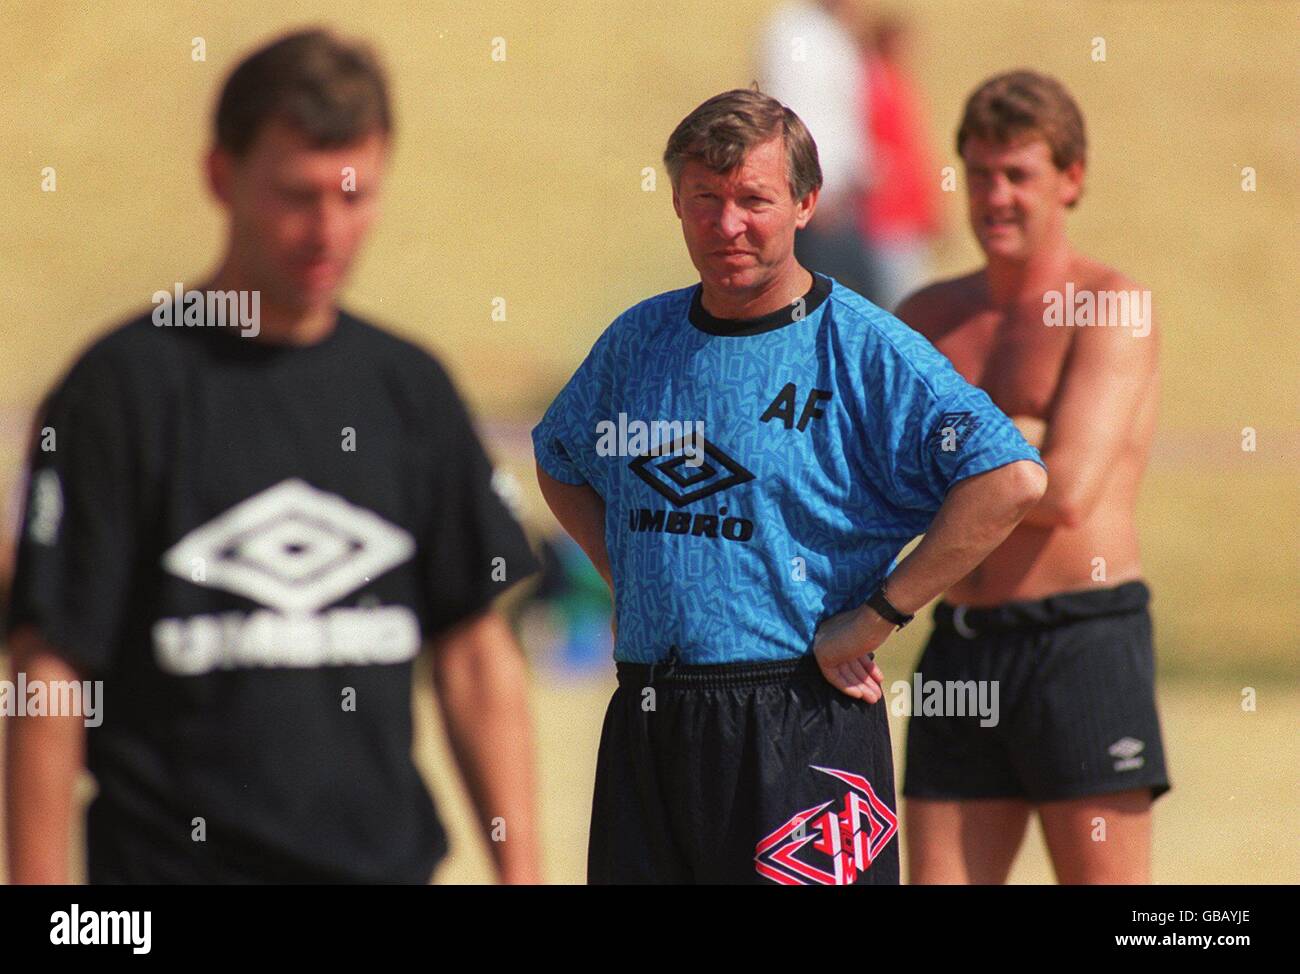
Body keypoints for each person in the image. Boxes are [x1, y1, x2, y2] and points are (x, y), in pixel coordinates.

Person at [4, 28, 543, 884]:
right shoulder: (119, 391)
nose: (327, 230)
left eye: (354, 194)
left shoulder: (410, 389)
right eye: (296, 195)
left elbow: (476, 654)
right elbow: (49, 670)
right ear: (221, 177)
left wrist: (524, 878)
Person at [532, 88, 1046, 885]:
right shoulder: (639, 340)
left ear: (806, 203)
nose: (727, 223)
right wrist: (624, 575)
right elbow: (561, 458)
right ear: (676, 200)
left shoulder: (864, 349)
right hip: (650, 719)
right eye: (705, 198)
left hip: (798, 722)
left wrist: (878, 617)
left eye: (753, 199)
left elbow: (1009, 478)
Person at [897, 70, 1169, 884]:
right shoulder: (925, 317)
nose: (996, 196)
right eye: (980, 173)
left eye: (1019, 173)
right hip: (960, 642)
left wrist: (960, 452)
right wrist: (1019, 437)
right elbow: (881, 479)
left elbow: (1064, 492)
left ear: (1070, 179)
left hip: (1079, 641)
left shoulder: (1110, 305)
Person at [757, 0, 880, 302]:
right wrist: (813, 186)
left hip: (841, 196)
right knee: (828, 299)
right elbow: (794, 115)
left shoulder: (832, 32)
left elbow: (844, 113)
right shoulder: (796, 31)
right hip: (820, 197)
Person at [859, 15, 942, 311]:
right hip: (885, 219)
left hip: (907, 216)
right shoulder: (870, 86)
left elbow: (915, 154)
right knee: (900, 309)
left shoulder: (897, 85)